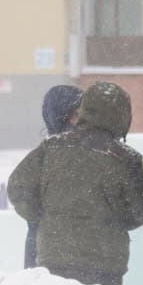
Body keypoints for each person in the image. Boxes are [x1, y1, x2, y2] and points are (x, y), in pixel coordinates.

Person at [8, 82, 143, 285]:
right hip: (105, 262)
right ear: (123, 117)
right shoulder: (126, 159)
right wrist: (113, 225)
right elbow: (139, 211)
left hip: (53, 256)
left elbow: (18, 187)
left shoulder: (52, 147)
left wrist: (46, 216)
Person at [23, 85, 84, 269]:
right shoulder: (45, 156)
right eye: (76, 113)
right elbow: (21, 195)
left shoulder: (85, 151)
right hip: (46, 254)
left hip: (68, 253)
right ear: (63, 115)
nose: (82, 118)